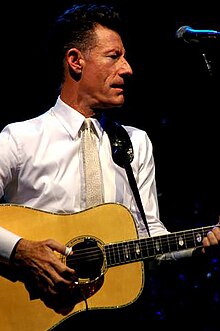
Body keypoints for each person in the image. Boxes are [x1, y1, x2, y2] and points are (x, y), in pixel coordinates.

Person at [0, 2, 219, 328]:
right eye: (114, 56)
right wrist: (18, 250)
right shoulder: (19, 139)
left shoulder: (135, 143)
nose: (128, 69)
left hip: (113, 318)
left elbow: (150, 236)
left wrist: (196, 248)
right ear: (76, 61)